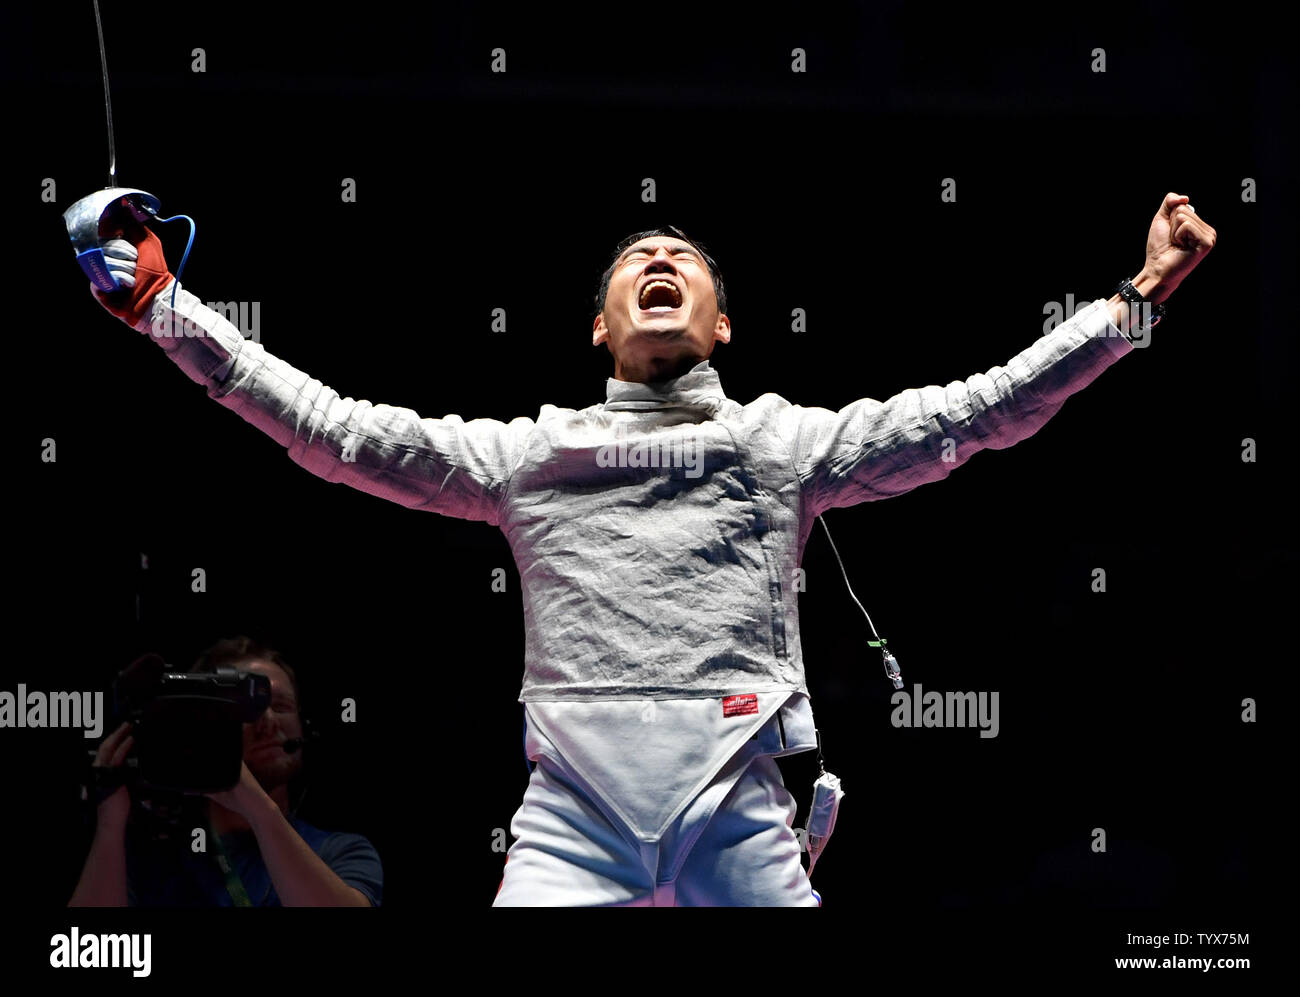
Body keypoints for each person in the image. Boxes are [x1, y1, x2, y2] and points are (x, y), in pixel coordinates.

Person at [83, 196, 1216, 905]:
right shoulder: (526, 456)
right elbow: (331, 432)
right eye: (637, 256)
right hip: (570, 822)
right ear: (600, 324)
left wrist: (1135, 300)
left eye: (682, 254)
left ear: (720, 321)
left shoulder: (780, 442)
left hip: (739, 816)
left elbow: (979, 412)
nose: (660, 256)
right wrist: (174, 312)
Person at [69, 637, 382, 906]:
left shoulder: (339, 851)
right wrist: (110, 822)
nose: (269, 722)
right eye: (247, 708)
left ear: (303, 727)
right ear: (201, 725)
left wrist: (256, 806)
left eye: (282, 706)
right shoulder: (152, 860)